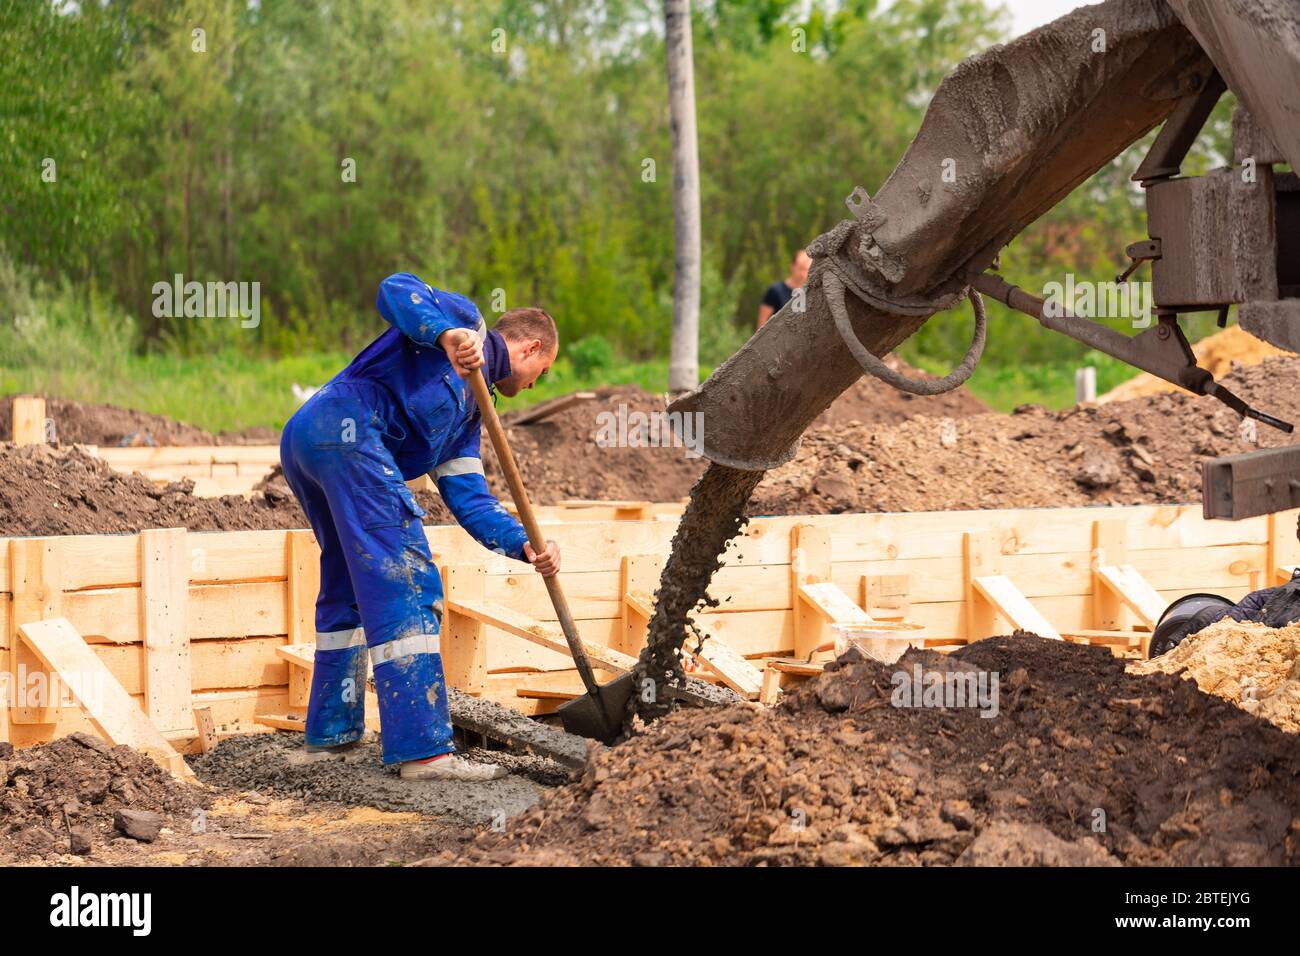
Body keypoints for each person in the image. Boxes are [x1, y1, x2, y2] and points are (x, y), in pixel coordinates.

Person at [279, 273, 560, 781]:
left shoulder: (470, 417)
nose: (534, 385)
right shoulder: (463, 320)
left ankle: (332, 735)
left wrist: (525, 545)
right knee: (408, 579)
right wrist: (447, 335)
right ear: (532, 347)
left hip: (311, 442)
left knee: (348, 582)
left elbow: (472, 504)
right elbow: (393, 287)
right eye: (541, 371)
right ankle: (424, 753)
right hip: (343, 431)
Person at [757, 249, 812, 328]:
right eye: (800, 268)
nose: (803, 274)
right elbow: (761, 325)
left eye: (806, 270)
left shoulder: (812, 293)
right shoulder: (775, 291)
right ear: (792, 267)